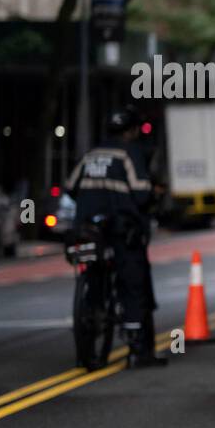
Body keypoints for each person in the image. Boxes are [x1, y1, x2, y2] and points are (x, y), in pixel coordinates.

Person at [66, 106, 168, 368]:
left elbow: (70, 186)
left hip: (88, 227)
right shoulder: (130, 153)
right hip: (122, 229)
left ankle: (85, 337)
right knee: (132, 283)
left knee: (90, 271)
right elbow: (142, 193)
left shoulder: (91, 155)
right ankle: (137, 349)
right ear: (132, 130)